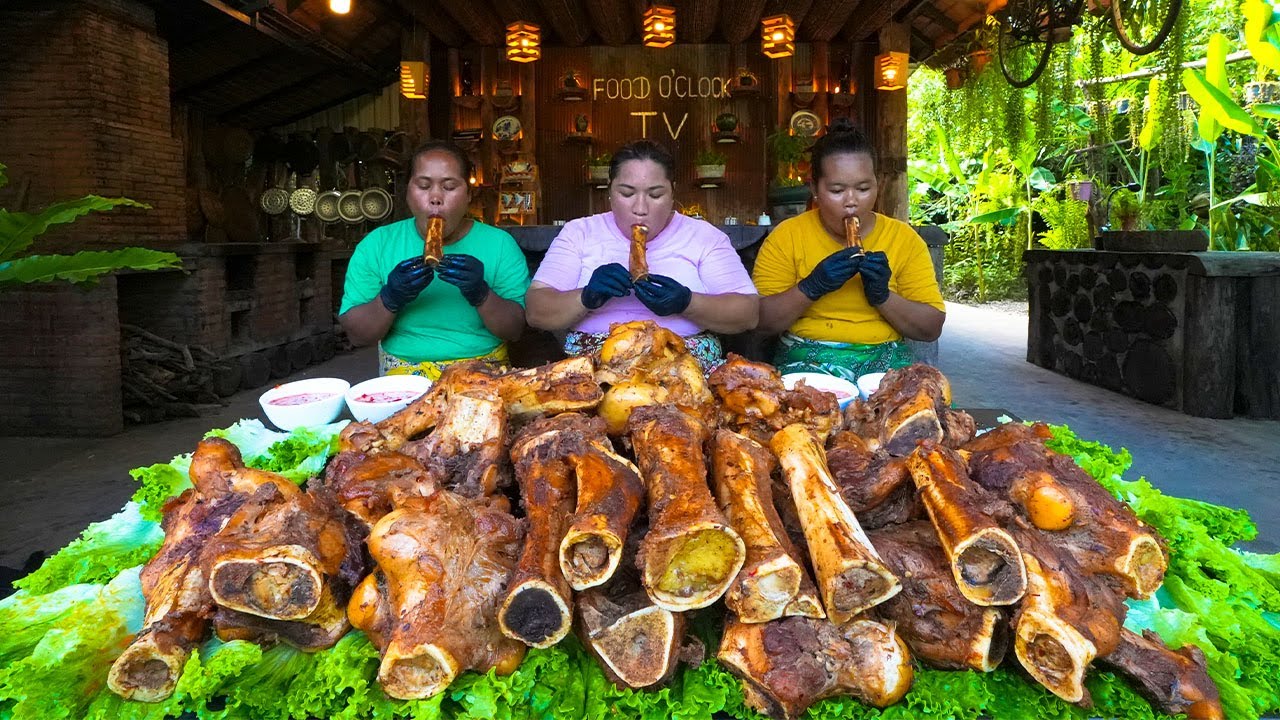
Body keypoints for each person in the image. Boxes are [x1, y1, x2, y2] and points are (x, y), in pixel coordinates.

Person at [525, 140, 758, 371]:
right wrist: (585, 297)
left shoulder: (704, 236)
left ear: (672, 193)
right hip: (595, 367)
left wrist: (688, 302)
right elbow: (536, 312)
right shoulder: (580, 233)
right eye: (627, 193)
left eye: (655, 195)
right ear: (610, 191)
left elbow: (748, 314)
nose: (640, 207)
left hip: (685, 366)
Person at [752, 119, 945, 380]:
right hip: (805, 360)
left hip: (884, 361)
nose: (851, 201)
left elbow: (930, 328)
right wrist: (812, 287)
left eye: (864, 188)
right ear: (815, 189)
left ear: (878, 185)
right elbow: (760, 321)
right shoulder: (787, 236)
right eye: (837, 190)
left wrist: (882, 296)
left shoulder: (903, 239)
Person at [339, 140, 529, 379]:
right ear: (407, 192)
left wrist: (482, 294)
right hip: (402, 374)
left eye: (449, 187)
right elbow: (357, 336)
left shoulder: (500, 244)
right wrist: (390, 298)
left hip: (483, 371)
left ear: (469, 195)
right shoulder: (376, 245)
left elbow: (515, 330)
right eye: (423, 185)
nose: (436, 198)